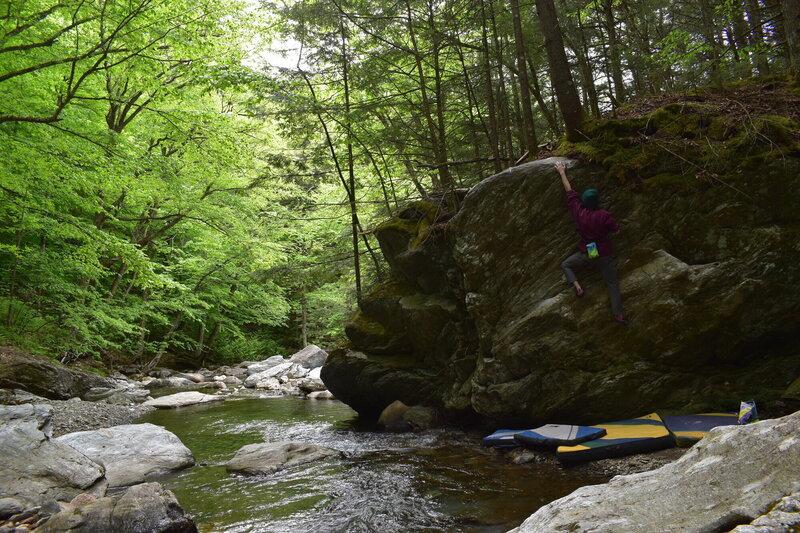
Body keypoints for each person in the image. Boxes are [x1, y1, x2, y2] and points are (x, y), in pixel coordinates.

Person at [555, 162, 628, 325]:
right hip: (604, 253)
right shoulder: (604, 215)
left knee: (566, 264)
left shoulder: (579, 213)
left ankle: (577, 286)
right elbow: (616, 230)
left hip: (588, 252)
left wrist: (562, 172)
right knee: (612, 283)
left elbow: (570, 192)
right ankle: (618, 315)